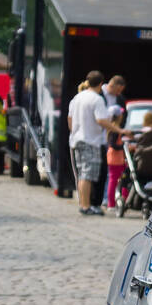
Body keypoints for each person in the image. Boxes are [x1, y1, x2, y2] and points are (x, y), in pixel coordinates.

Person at [66, 70, 128, 215]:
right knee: (88, 175)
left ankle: (83, 204)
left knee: (82, 174)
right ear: (101, 83)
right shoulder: (96, 99)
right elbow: (101, 120)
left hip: (76, 140)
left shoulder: (77, 97)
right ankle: (86, 206)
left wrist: (75, 131)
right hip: (90, 140)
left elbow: (70, 119)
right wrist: (119, 130)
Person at [92, 75, 126, 208]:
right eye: (119, 90)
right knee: (100, 169)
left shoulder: (120, 99)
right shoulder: (99, 95)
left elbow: (123, 117)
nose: (119, 93)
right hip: (98, 136)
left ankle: (107, 198)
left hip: (111, 136)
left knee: (110, 170)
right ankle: (97, 197)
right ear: (113, 85)